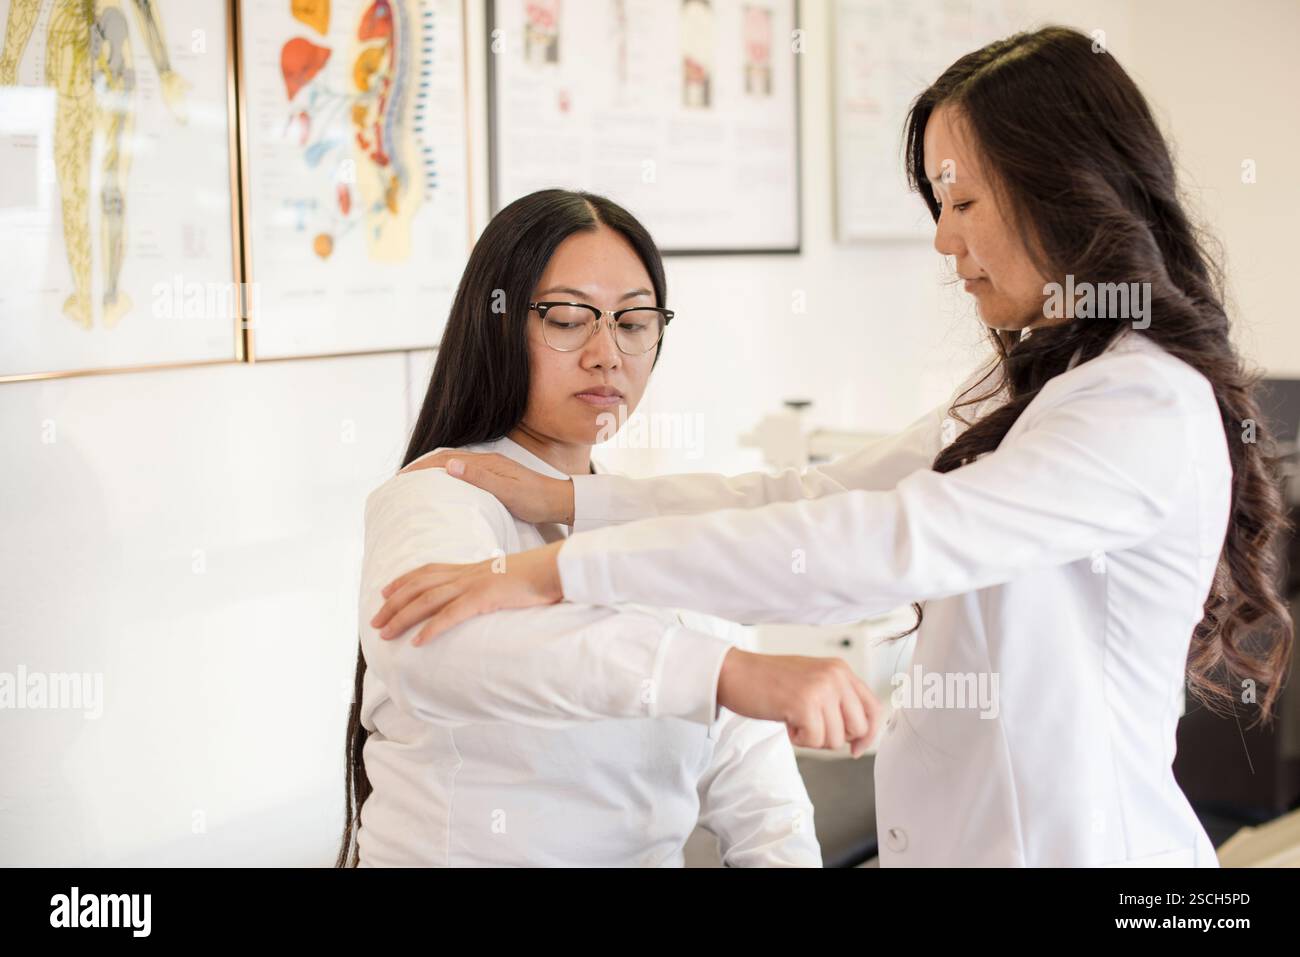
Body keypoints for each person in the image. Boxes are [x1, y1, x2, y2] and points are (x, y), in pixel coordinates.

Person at [370, 28, 1293, 867]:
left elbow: (893, 541)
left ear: (1064, 189)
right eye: (568, 317)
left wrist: (558, 567)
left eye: (963, 199)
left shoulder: (1136, 404)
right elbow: (808, 498)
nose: (943, 238)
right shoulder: (443, 496)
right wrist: (578, 511)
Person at [339, 188, 881, 868]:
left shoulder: (647, 516)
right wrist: (720, 671)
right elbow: (442, 650)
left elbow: (759, 791)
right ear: (498, 323)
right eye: (568, 318)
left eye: (633, 321)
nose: (606, 352)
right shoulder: (439, 495)